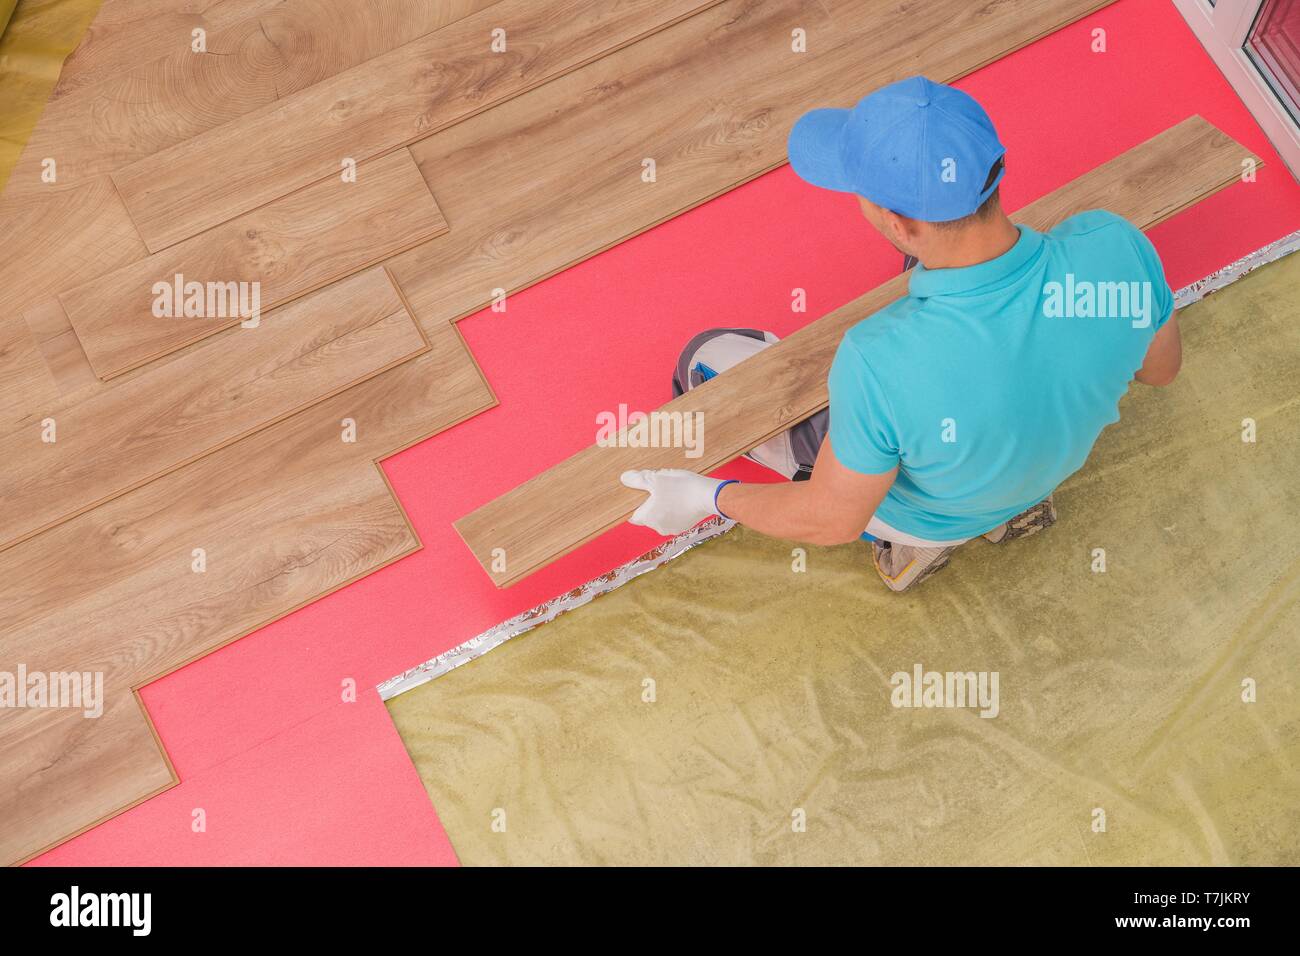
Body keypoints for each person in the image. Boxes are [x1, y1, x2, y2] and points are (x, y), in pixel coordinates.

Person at [621, 76, 1182, 592]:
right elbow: (1161, 370)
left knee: (703, 357)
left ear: (899, 224)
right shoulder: (1114, 242)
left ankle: (913, 544)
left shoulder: (875, 358)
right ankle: (1006, 512)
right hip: (1042, 466)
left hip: (924, 511)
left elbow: (832, 519)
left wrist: (708, 496)